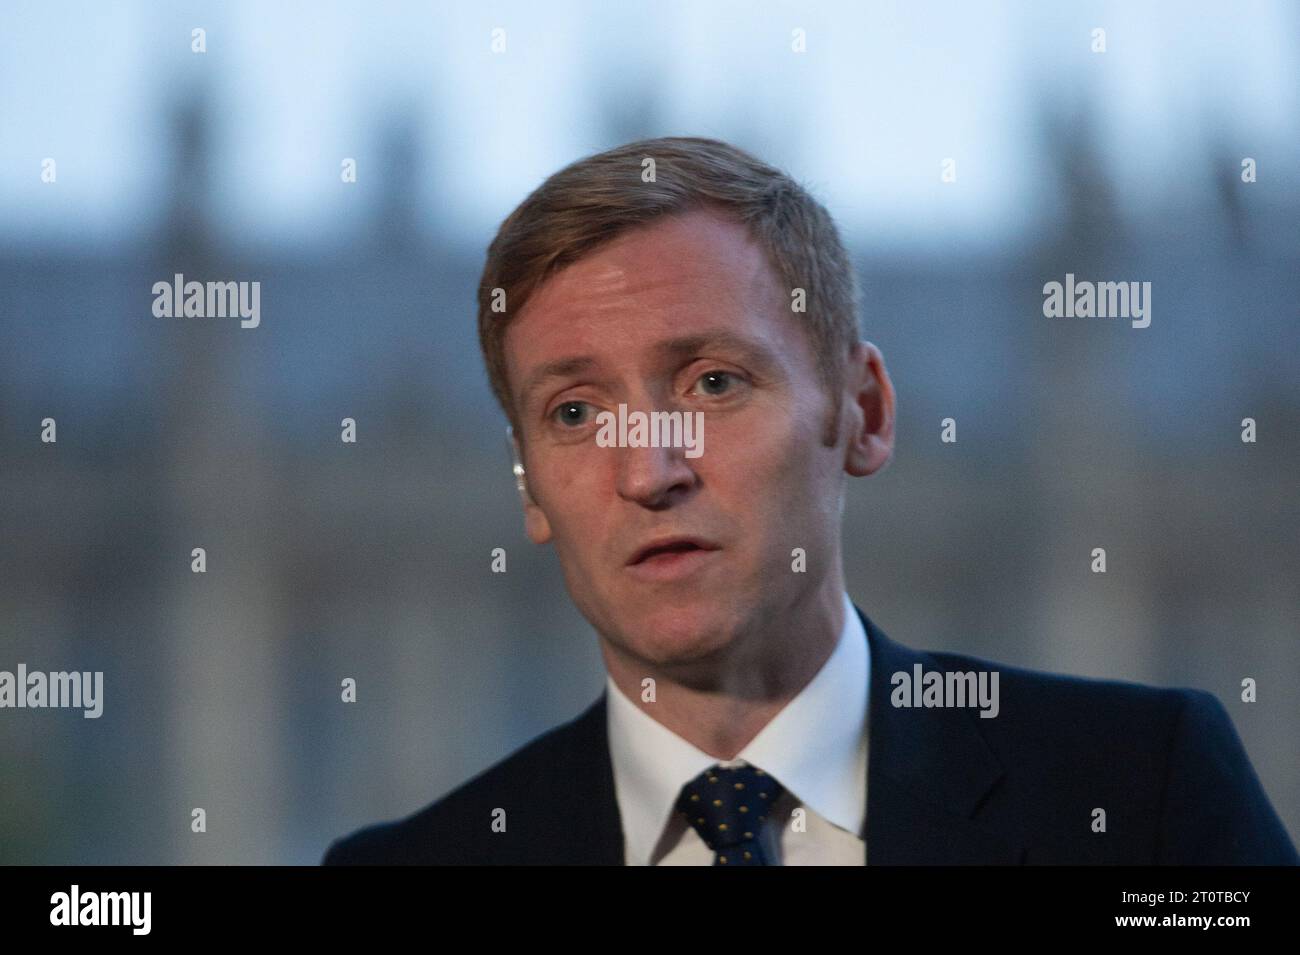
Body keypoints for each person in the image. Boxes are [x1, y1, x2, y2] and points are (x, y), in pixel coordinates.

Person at [323, 136, 1297, 865]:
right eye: (575, 411)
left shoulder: (1143, 797)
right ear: (527, 483)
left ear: (862, 413)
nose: (647, 469)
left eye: (711, 384)